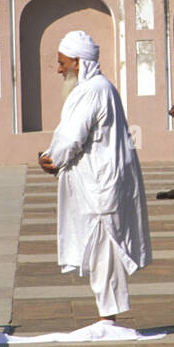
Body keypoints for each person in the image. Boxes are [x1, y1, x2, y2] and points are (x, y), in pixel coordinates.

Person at [39, 30, 152, 322]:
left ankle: (109, 317)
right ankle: (108, 314)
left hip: (101, 186)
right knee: (103, 249)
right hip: (102, 183)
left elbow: (72, 137)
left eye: (63, 62)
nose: (59, 68)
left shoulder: (91, 90)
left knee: (105, 250)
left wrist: (52, 159)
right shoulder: (101, 87)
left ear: (78, 62)